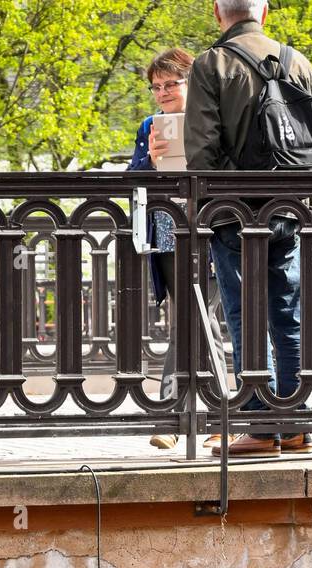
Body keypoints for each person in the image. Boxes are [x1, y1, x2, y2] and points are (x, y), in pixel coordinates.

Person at [184, 0, 312, 458]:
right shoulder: (299, 62)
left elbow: (203, 148)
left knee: (245, 314)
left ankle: (261, 426)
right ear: (263, 13)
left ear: (217, 13)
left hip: (236, 211)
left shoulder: (213, 63)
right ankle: (296, 423)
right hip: (289, 208)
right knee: (287, 312)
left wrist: (205, 207)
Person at [128, 48, 225, 451]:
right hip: (168, 238)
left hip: (213, 234)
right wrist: (149, 162)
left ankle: (178, 417)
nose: (164, 92)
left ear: (192, 82)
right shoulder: (150, 125)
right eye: (157, 86)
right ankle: (220, 418)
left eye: (172, 83)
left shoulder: (215, 120)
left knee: (200, 322)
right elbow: (130, 181)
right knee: (193, 322)